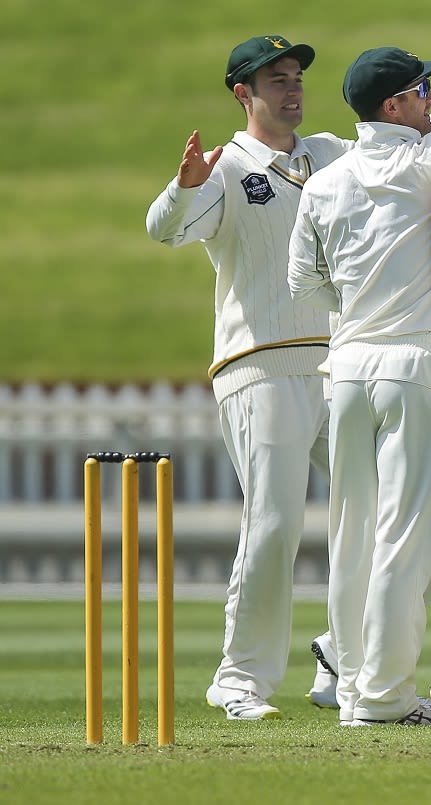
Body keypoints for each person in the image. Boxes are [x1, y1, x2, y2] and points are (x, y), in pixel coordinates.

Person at [146, 35, 353, 720]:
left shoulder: (328, 152)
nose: (292, 90)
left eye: (296, 78)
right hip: (260, 365)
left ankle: (343, 654)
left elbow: (400, 164)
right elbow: (164, 230)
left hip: (339, 361)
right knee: (275, 522)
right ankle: (239, 681)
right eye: (276, 80)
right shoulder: (226, 168)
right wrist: (183, 188)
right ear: (244, 93)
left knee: (392, 510)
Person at [288, 46, 431, 726]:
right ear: (396, 105)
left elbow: (301, 283)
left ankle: (350, 675)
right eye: (422, 92)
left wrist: (360, 296)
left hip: (345, 367)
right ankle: (381, 697)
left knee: (368, 529)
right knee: (399, 533)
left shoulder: (324, 182)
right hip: (411, 363)